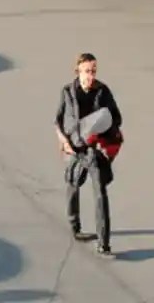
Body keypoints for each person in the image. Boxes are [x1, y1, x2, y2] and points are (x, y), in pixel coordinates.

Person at [54, 52, 123, 256]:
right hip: (75, 146)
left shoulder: (103, 91)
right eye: (86, 71)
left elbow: (116, 119)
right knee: (72, 185)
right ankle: (75, 228)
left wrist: (100, 135)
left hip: (94, 149)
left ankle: (104, 243)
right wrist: (64, 141)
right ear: (78, 72)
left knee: (100, 193)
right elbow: (57, 121)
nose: (90, 76)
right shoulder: (68, 91)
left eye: (93, 71)